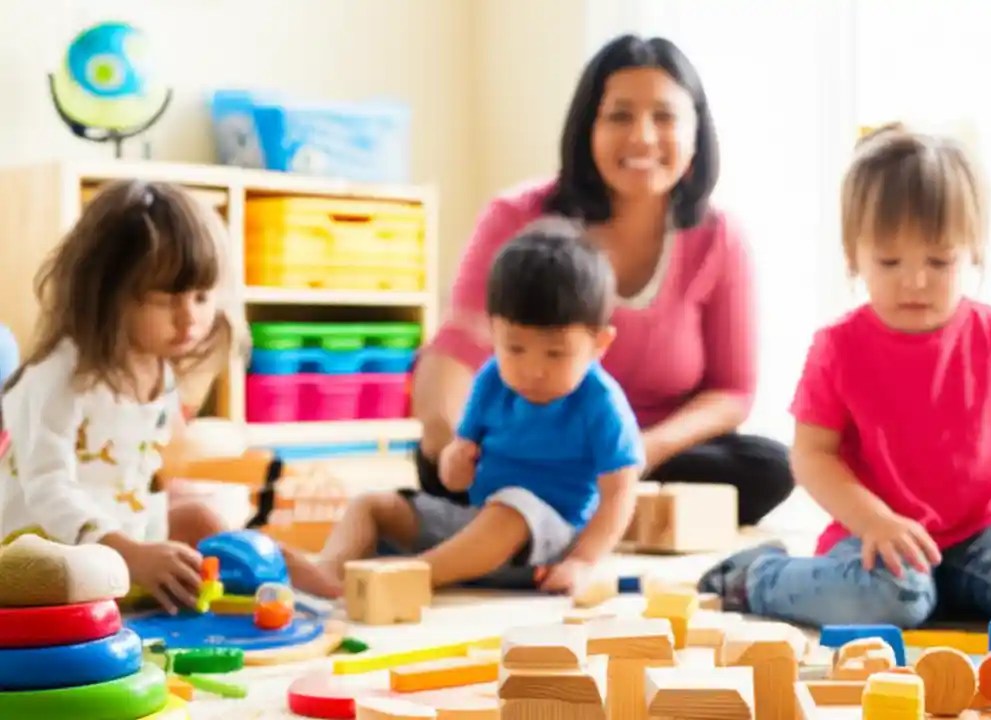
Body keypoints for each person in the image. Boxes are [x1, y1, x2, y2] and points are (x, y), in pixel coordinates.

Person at [696, 125, 991, 629]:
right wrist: (874, 520)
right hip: (877, 535)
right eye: (889, 261)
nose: (914, 281)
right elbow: (812, 456)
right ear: (853, 256)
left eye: (940, 261)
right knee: (889, 601)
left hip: (982, 535)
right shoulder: (838, 346)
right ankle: (757, 576)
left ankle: (940, 593)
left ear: (973, 251)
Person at [410, 34, 793, 528]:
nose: (642, 137)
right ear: (587, 126)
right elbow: (456, 350)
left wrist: (637, 455)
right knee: (434, 464)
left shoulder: (720, 238)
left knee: (770, 467)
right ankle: (572, 507)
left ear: (697, 132)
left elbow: (732, 391)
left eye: (664, 117)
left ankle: (571, 509)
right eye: (619, 116)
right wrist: (453, 444)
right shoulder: (516, 216)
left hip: (646, 448)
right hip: (529, 438)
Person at [288, 224, 645, 599]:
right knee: (372, 504)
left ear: (599, 344)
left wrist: (582, 561)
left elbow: (620, 494)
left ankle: (411, 576)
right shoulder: (493, 378)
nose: (533, 369)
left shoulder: (600, 402)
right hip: (477, 527)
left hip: (551, 538)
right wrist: (453, 463)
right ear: (493, 331)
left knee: (513, 507)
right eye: (515, 348)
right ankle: (325, 578)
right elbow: (456, 479)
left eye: (556, 353)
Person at [0, 180, 236, 614]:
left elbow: (139, 476)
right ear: (110, 294)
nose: (190, 319)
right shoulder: (59, 377)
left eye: (201, 297)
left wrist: (148, 548)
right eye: (166, 299)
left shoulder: (159, 370)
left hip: (116, 541)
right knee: (76, 579)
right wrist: (132, 553)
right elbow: (48, 490)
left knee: (204, 522)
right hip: (37, 548)